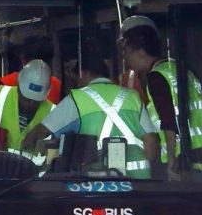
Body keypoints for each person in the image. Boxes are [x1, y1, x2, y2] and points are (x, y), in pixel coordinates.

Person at [21, 46, 158, 179]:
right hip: (138, 186)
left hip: (97, 188)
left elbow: (37, 134)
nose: (75, 82)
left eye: (75, 78)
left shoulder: (77, 99)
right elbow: (151, 143)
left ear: (84, 74)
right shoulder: (133, 97)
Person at [120, 15, 202, 174]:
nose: (126, 58)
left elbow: (168, 121)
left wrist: (171, 160)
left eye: (127, 52)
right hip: (199, 150)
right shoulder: (178, 67)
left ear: (141, 52)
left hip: (179, 155)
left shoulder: (157, 76)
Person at [0, 60, 56, 160]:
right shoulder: (0, 96)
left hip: (32, 173)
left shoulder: (53, 112)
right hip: (0, 168)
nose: (30, 104)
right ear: (18, 86)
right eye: (26, 99)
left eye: (36, 101)